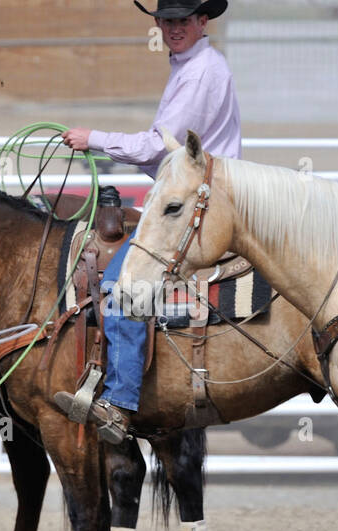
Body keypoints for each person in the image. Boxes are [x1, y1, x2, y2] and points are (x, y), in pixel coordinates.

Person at [54, 0, 240, 444]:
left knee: (125, 286)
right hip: (190, 196)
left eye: (182, 20)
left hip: (199, 203)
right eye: (168, 20)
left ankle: (119, 403)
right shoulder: (192, 66)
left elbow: (160, 147)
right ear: (159, 24)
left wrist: (93, 140)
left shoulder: (198, 73)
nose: (174, 28)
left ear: (202, 21)